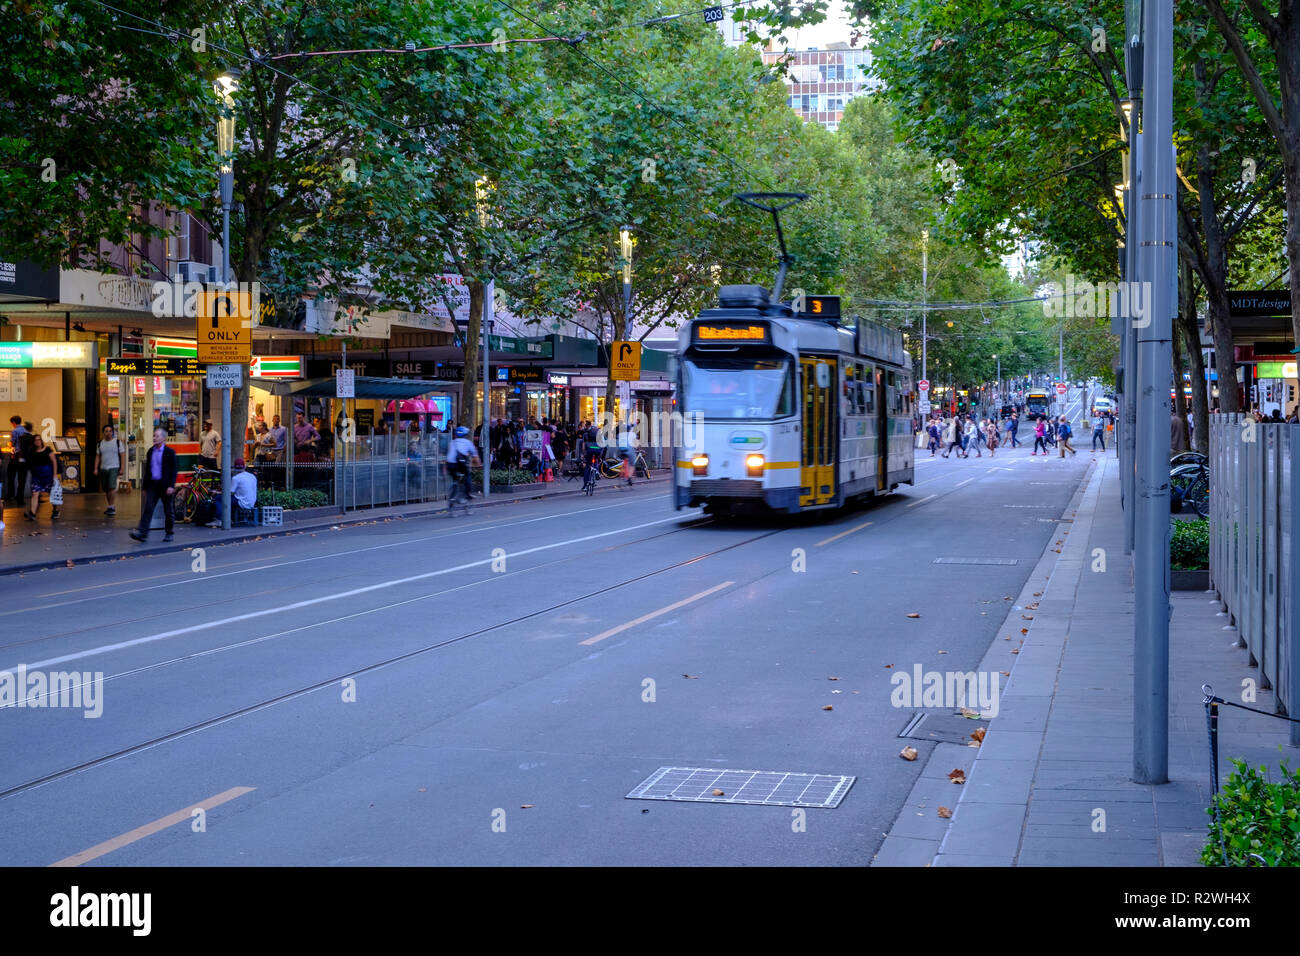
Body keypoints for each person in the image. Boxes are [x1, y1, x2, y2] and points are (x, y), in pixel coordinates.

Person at [129, 427, 177, 543]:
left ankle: (169, 533)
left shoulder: (170, 453)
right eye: (154, 436)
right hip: (153, 485)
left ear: (163, 438)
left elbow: (174, 470)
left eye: (157, 436)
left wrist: (171, 486)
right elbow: (148, 470)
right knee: (148, 508)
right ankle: (142, 533)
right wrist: (144, 487)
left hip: (165, 486)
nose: (154, 438)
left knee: (168, 510)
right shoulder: (151, 451)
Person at [94, 423, 125, 515]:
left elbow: (122, 456)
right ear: (103, 433)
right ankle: (110, 506)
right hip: (103, 468)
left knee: (111, 487)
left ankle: (111, 506)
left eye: (110, 431)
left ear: (113, 432)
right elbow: (97, 457)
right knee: (106, 488)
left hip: (114, 467)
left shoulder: (117, 442)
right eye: (106, 431)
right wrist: (95, 468)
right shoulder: (100, 444)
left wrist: (122, 468)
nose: (108, 433)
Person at [25, 434, 58, 520]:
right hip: (37, 476)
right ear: (33, 442)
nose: (37, 441)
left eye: (39, 439)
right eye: (36, 440)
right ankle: (32, 513)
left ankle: (55, 510)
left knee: (52, 494)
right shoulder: (32, 452)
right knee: (35, 493)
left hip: (48, 475)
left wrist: (54, 474)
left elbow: (54, 461)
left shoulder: (47, 450)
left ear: (41, 441)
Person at [214, 458, 258, 523]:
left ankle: (219, 519)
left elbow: (229, 492)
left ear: (235, 467)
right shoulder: (252, 476)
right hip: (252, 502)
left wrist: (217, 492)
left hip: (243, 502)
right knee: (231, 499)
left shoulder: (236, 478)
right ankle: (230, 518)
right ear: (244, 466)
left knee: (218, 498)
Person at [447, 425, 481, 501]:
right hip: (459, 464)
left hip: (450, 465)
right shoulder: (468, 442)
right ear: (465, 435)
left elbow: (448, 455)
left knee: (454, 479)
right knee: (467, 475)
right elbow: (475, 456)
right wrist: (479, 465)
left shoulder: (451, 442)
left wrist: (445, 468)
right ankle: (468, 494)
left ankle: (453, 495)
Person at [6, 415, 27, 503]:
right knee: (22, 479)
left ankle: (11, 495)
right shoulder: (25, 430)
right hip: (24, 457)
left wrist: (8, 444)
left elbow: (12, 444)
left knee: (10, 475)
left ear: (14, 422)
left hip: (16, 457)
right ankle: (20, 498)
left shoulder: (15, 431)